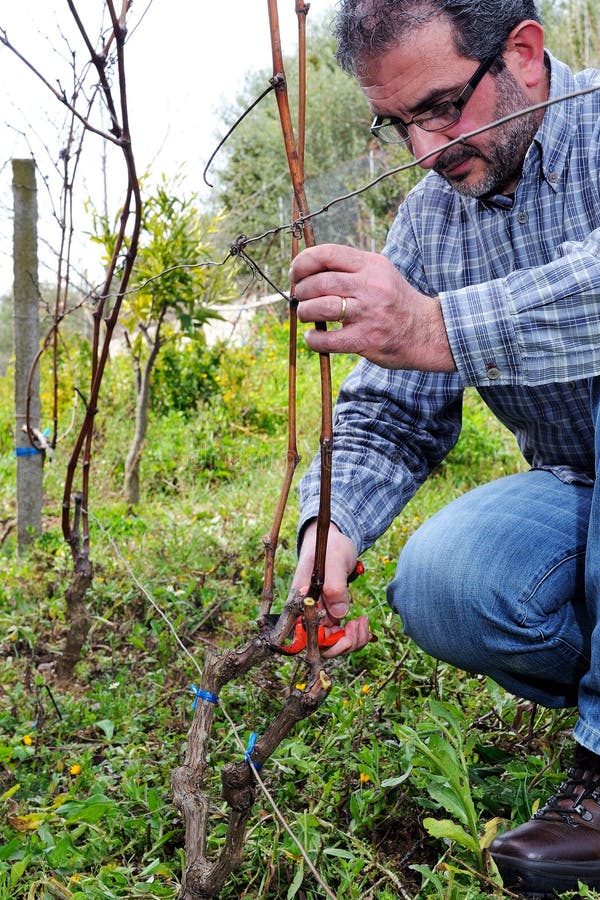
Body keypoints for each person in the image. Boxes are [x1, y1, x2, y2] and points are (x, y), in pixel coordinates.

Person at [287, 0, 600, 895]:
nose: (426, 149)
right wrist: (328, 534)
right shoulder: (432, 218)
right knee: (442, 582)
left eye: (439, 107)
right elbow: (390, 412)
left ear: (525, 55)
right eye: (398, 124)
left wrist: (438, 325)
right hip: (579, 483)